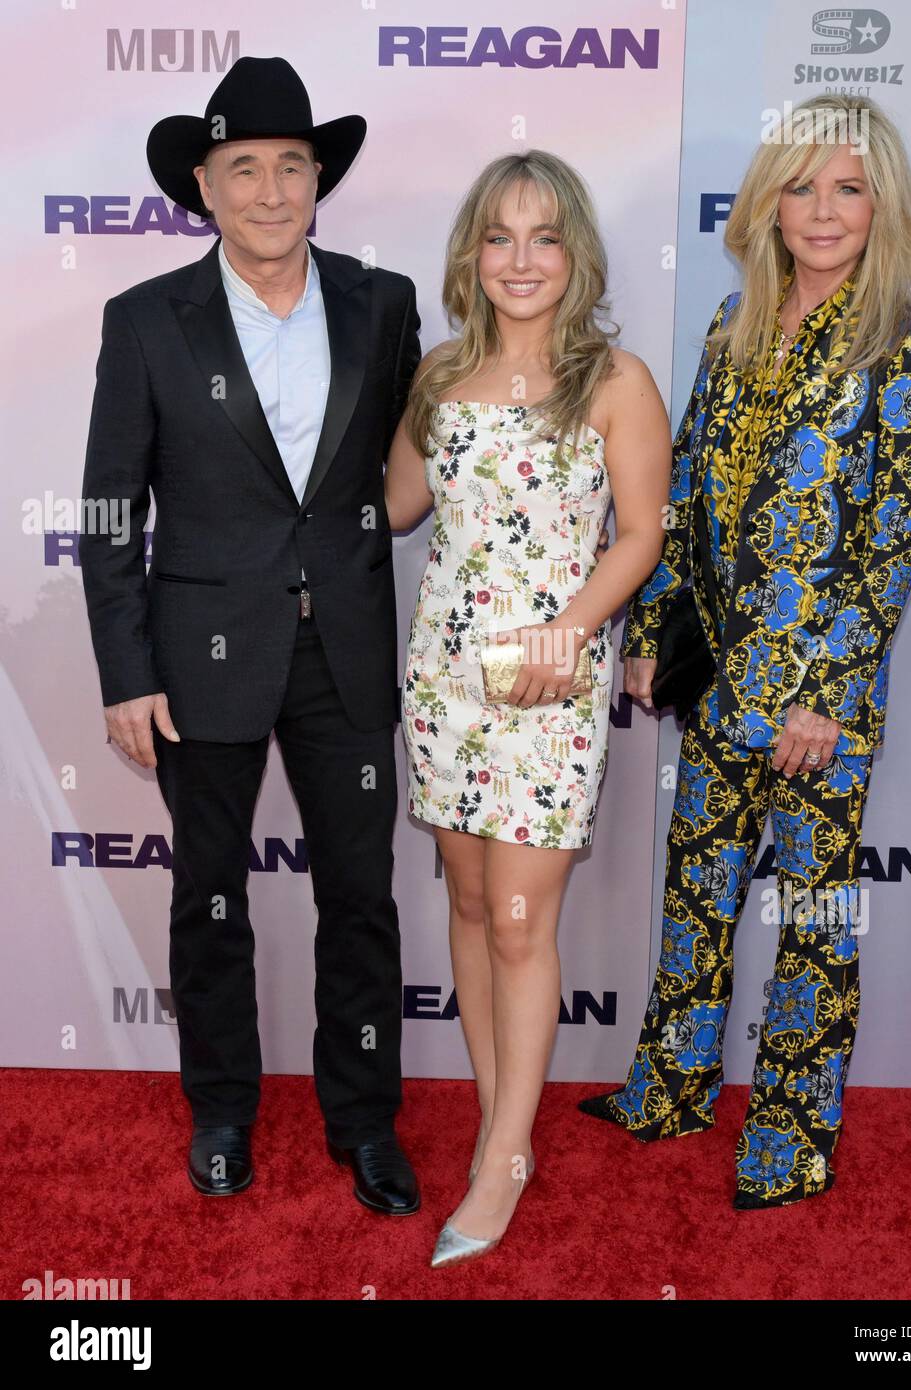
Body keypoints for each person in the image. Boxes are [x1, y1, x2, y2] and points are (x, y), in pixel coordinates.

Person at [579, 95, 911, 1208]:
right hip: (718, 678)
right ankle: (672, 1087)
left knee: (815, 917)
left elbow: (891, 539)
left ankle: (791, 1140)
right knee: (695, 892)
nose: (823, 210)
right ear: (768, 204)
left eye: (849, 188)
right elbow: (685, 495)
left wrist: (826, 695)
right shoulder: (731, 327)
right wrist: (654, 632)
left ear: (882, 205)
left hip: (817, 704)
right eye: (801, 186)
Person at [79, 57, 423, 1212]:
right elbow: (109, 509)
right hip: (200, 656)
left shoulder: (383, 304)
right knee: (211, 896)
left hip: (347, 651)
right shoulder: (145, 321)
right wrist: (125, 671)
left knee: (361, 899)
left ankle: (363, 1120)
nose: (270, 191)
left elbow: (415, 466)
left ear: (318, 177)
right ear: (204, 184)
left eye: (290, 166)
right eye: (243, 169)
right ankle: (222, 1108)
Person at [384, 151, 672, 1264]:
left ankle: (506, 1157)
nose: (519, 259)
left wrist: (569, 632)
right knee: (467, 903)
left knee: (517, 923)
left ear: (574, 254)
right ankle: (496, 1120)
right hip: (446, 682)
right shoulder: (439, 376)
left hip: (552, 683)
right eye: (498, 237)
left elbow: (640, 535)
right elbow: (394, 506)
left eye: (543, 237)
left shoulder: (614, 379)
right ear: (470, 253)